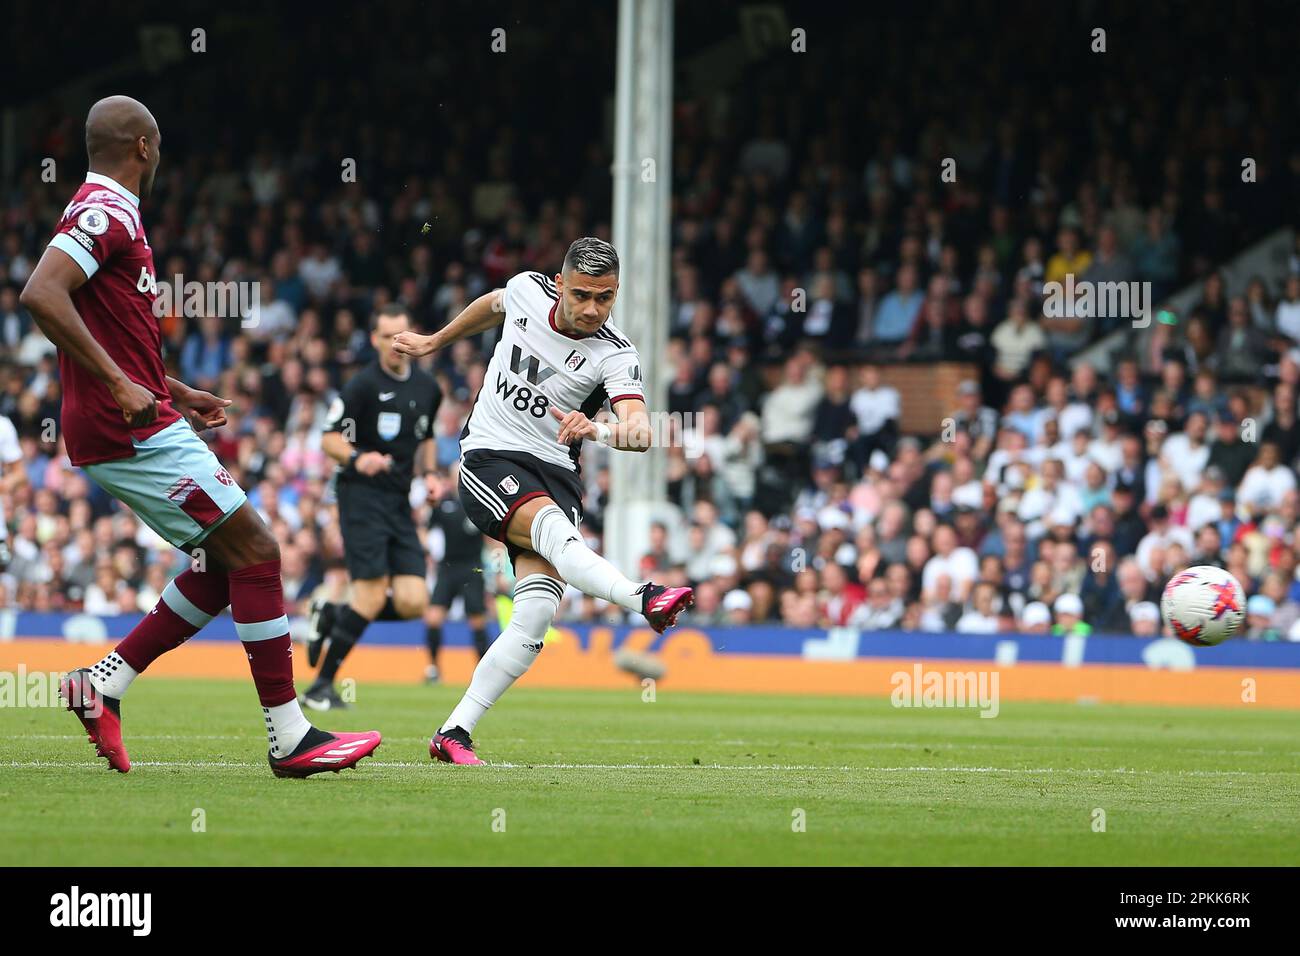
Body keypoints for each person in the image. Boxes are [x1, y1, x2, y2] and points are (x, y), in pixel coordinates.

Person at [19, 95, 379, 776]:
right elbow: (41, 292)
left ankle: (103, 684)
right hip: (121, 423)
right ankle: (291, 737)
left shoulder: (110, 212)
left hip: (131, 414)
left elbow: (113, 328)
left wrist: (171, 391)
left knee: (225, 562)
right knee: (260, 547)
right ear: (144, 148)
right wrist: (124, 388)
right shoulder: (106, 211)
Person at [393, 237, 694, 764]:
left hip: (556, 472)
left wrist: (596, 430)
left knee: (533, 618)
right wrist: (435, 341)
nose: (593, 309)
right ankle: (643, 597)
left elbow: (642, 432)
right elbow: (491, 305)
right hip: (491, 456)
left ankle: (453, 732)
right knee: (556, 532)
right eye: (583, 295)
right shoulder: (526, 289)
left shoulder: (615, 353)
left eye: (606, 297)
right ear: (559, 284)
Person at [301, 303, 441, 710]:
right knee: (371, 595)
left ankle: (331, 615)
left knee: (415, 600)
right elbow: (329, 438)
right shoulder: (362, 385)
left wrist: (430, 474)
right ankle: (320, 688)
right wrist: (356, 457)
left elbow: (427, 435)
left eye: (401, 335)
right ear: (375, 340)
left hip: (398, 501)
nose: (395, 344)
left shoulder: (428, 388)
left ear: (411, 334)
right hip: (361, 497)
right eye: (386, 337)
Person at [424, 463, 492, 682]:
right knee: (433, 618)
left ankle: (486, 675)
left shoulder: (480, 503)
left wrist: (499, 570)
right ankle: (433, 669)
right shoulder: (443, 504)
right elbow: (425, 530)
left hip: (473, 568)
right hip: (448, 568)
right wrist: (426, 552)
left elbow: (491, 538)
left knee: (477, 621)